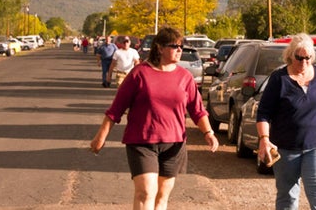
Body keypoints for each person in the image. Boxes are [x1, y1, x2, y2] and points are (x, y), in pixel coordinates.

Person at [89, 26, 219, 210]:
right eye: (174, 46)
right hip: (142, 142)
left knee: (161, 196)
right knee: (146, 193)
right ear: (159, 47)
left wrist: (209, 133)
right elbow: (116, 109)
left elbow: (197, 110)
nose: (179, 50)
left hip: (174, 144)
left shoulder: (185, 77)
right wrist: (100, 137)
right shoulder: (139, 74)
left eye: (181, 46)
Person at [257, 33, 316, 210]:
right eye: (299, 58)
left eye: (308, 58)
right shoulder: (278, 79)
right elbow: (263, 113)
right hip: (286, 147)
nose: (304, 62)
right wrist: (264, 139)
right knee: (287, 196)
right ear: (290, 55)